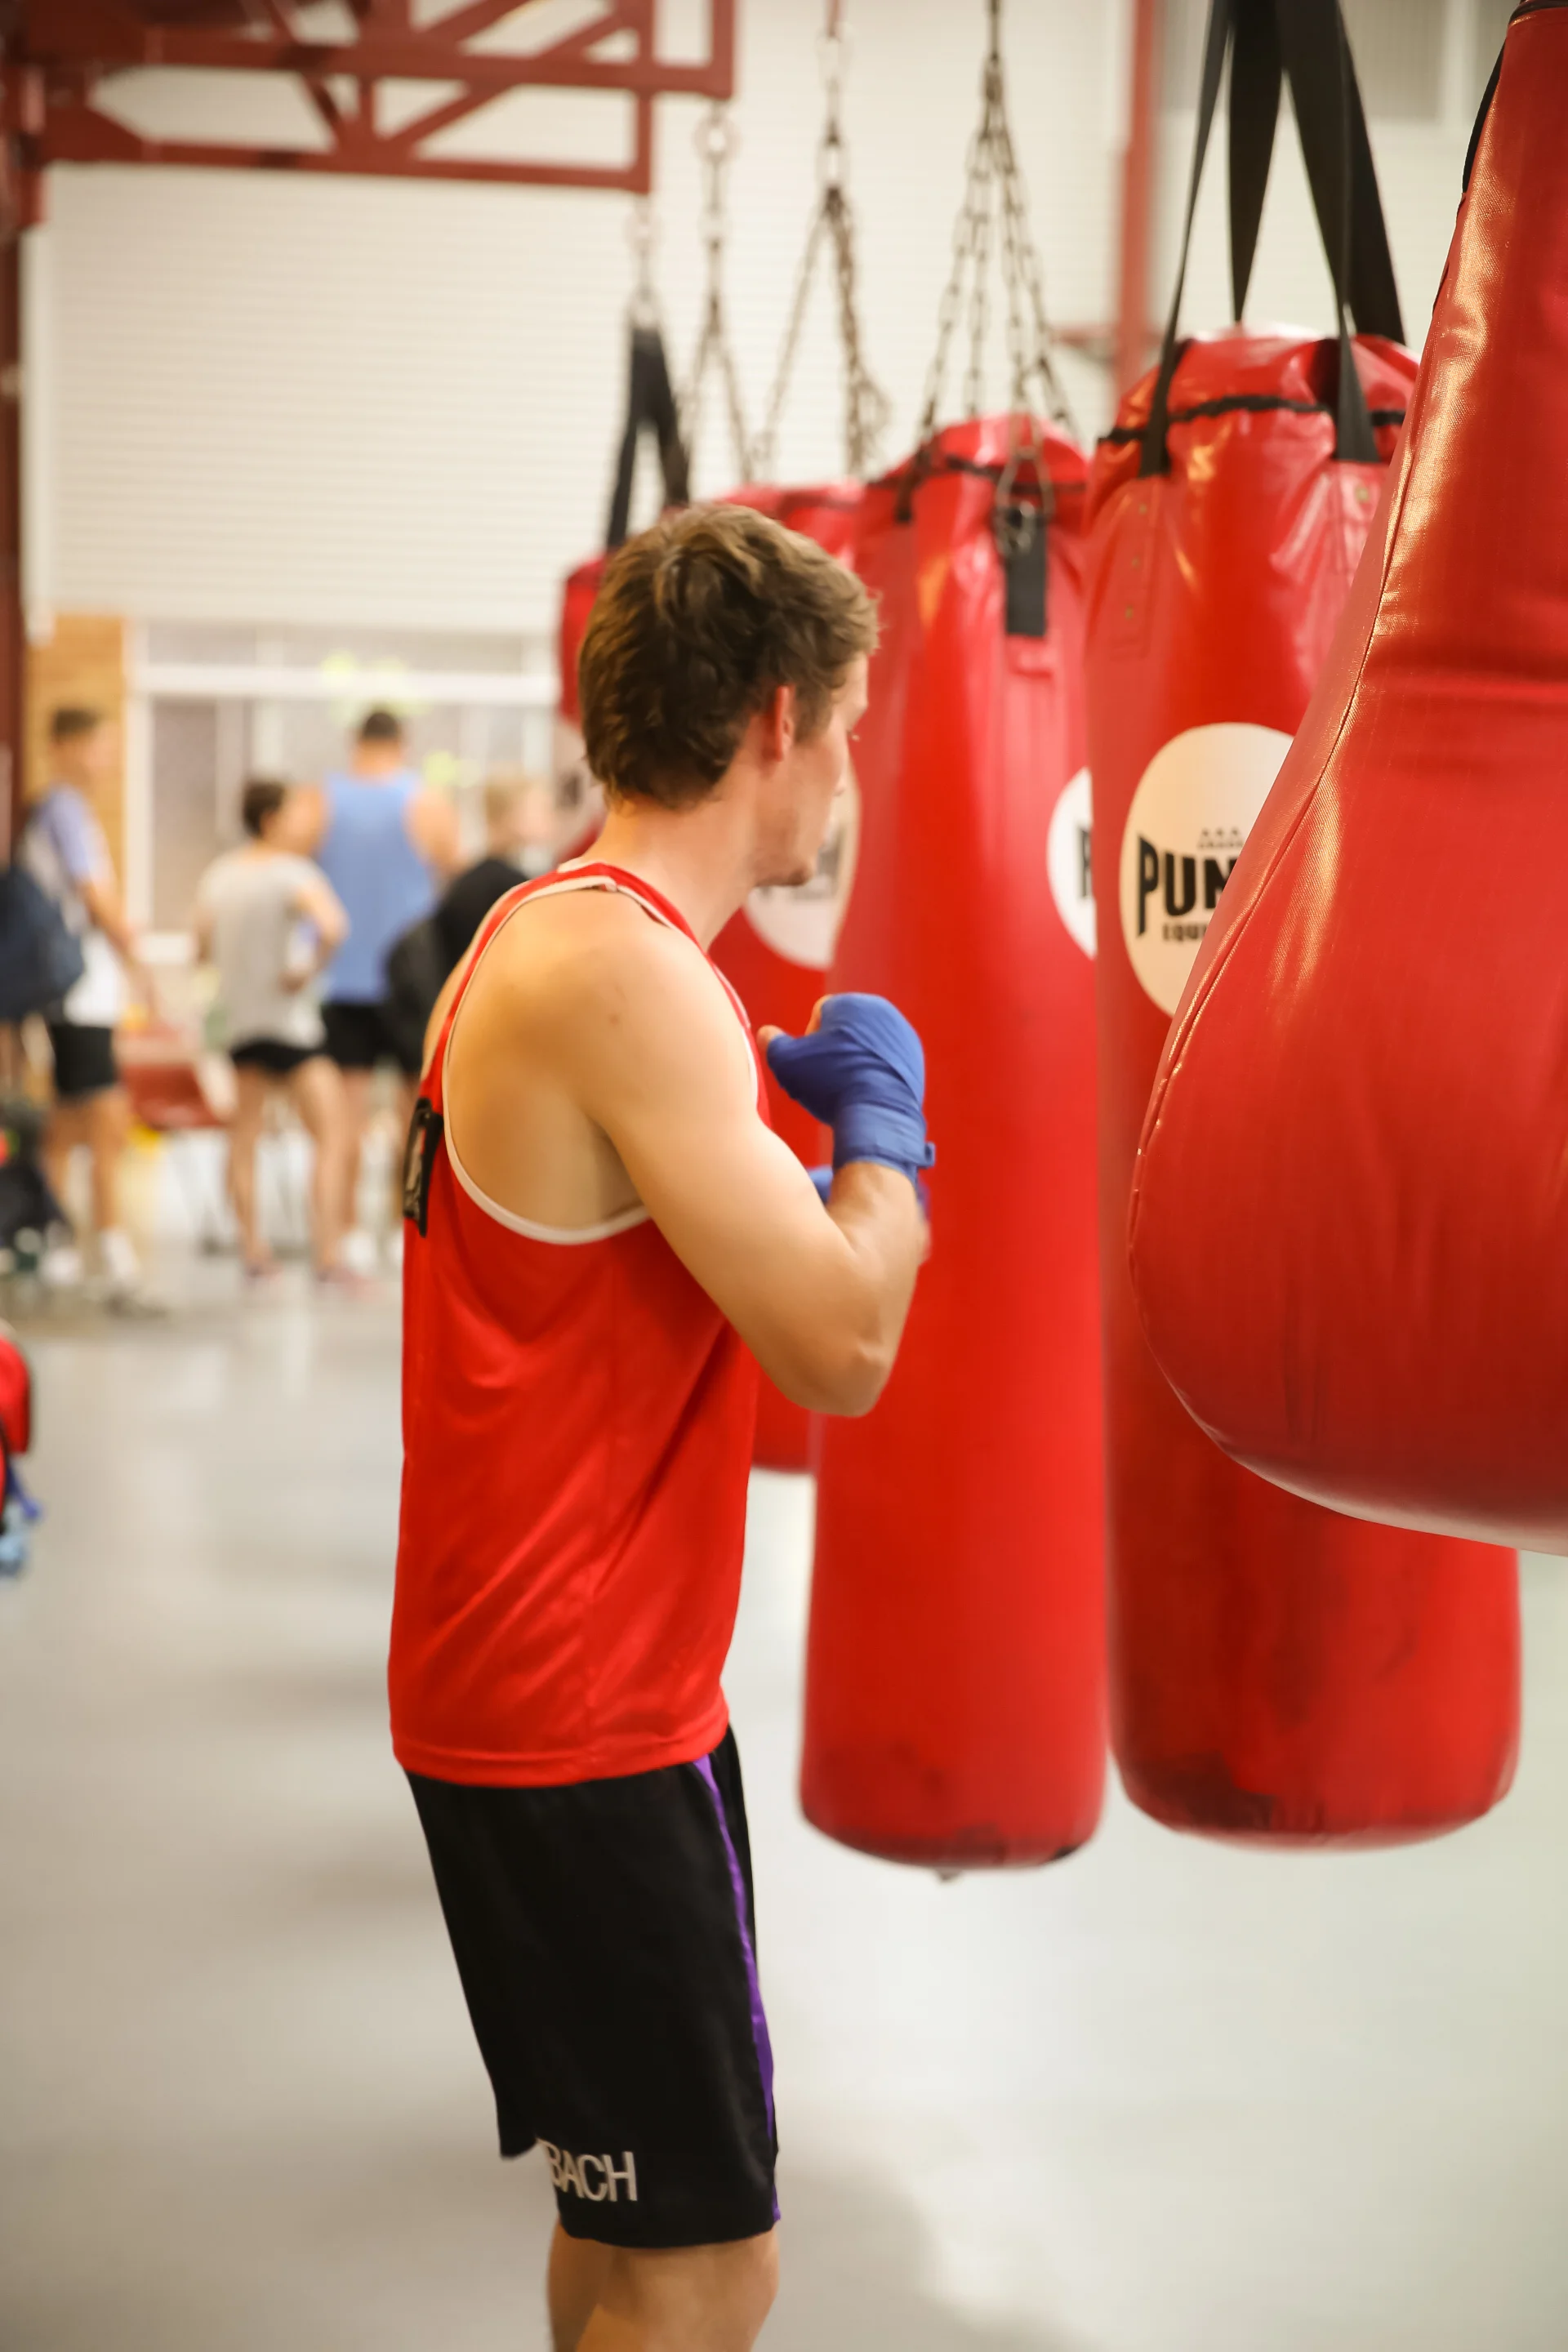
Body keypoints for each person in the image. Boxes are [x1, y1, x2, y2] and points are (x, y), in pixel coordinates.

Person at [390, 505, 930, 2352]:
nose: (846, 773)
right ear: (778, 718)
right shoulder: (624, 973)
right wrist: (887, 1142)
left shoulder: (547, 932)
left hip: (576, 1693)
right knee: (708, 2266)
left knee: (619, 2231)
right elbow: (844, 1340)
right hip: (577, 1715)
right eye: (846, 728)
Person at [294, 709, 461, 1258]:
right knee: (415, 1114)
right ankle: (403, 1227)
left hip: (343, 981)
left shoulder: (319, 801)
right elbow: (452, 873)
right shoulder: (427, 803)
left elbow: (293, 870)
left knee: (347, 1119)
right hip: (409, 983)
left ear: (355, 743)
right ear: (402, 744)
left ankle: (347, 1230)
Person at [192, 779, 354, 1284]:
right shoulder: (292, 872)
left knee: (244, 1135)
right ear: (271, 820)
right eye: (295, 813)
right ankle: (328, 1253)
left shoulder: (220, 875)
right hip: (290, 1025)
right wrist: (306, 970)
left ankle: (253, 1249)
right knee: (333, 1133)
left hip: (241, 1022)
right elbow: (333, 927)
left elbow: (201, 947)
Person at [20, 706, 149, 1305]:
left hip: (84, 993)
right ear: (65, 746)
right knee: (104, 1114)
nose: (107, 760)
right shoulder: (62, 810)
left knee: (70, 1117)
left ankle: (58, 1236)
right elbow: (93, 894)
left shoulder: (70, 811)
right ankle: (106, 1240)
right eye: (100, 746)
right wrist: (135, 956)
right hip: (77, 992)